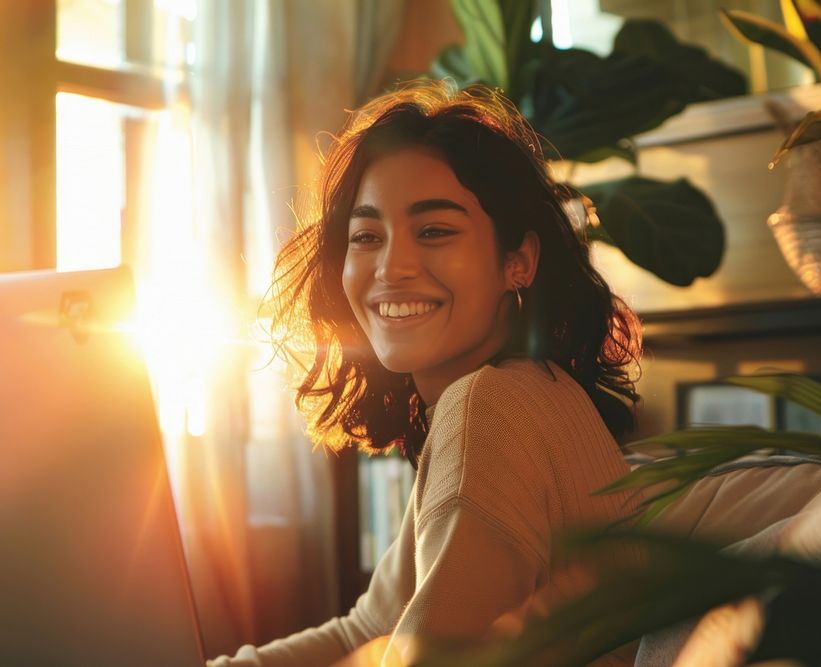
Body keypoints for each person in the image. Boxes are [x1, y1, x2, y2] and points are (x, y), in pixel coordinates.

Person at [209, 80, 644, 666]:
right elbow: (363, 632)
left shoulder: (492, 407)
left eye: (435, 231)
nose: (392, 267)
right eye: (366, 237)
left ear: (517, 262)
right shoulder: (523, 389)